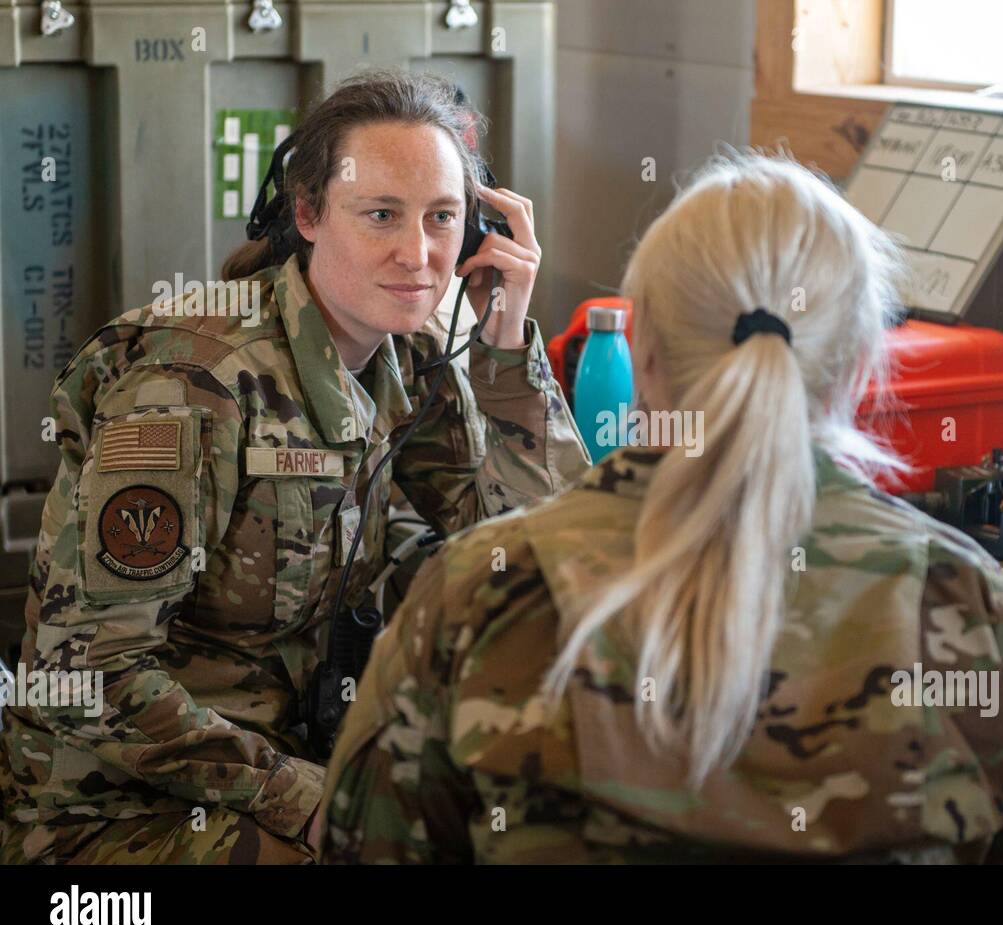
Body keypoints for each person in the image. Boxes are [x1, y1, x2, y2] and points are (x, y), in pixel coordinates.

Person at [320, 153, 1003, 865]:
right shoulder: (974, 609)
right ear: (856, 369)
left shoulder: (476, 595)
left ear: (637, 355)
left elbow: (365, 843)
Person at [0, 70, 589, 864]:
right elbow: (87, 675)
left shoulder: (414, 359)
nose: (418, 254)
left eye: (443, 218)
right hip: (114, 816)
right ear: (308, 215)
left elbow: (533, 567)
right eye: (380, 215)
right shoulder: (192, 383)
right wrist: (314, 798)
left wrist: (509, 348)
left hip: (298, 766)